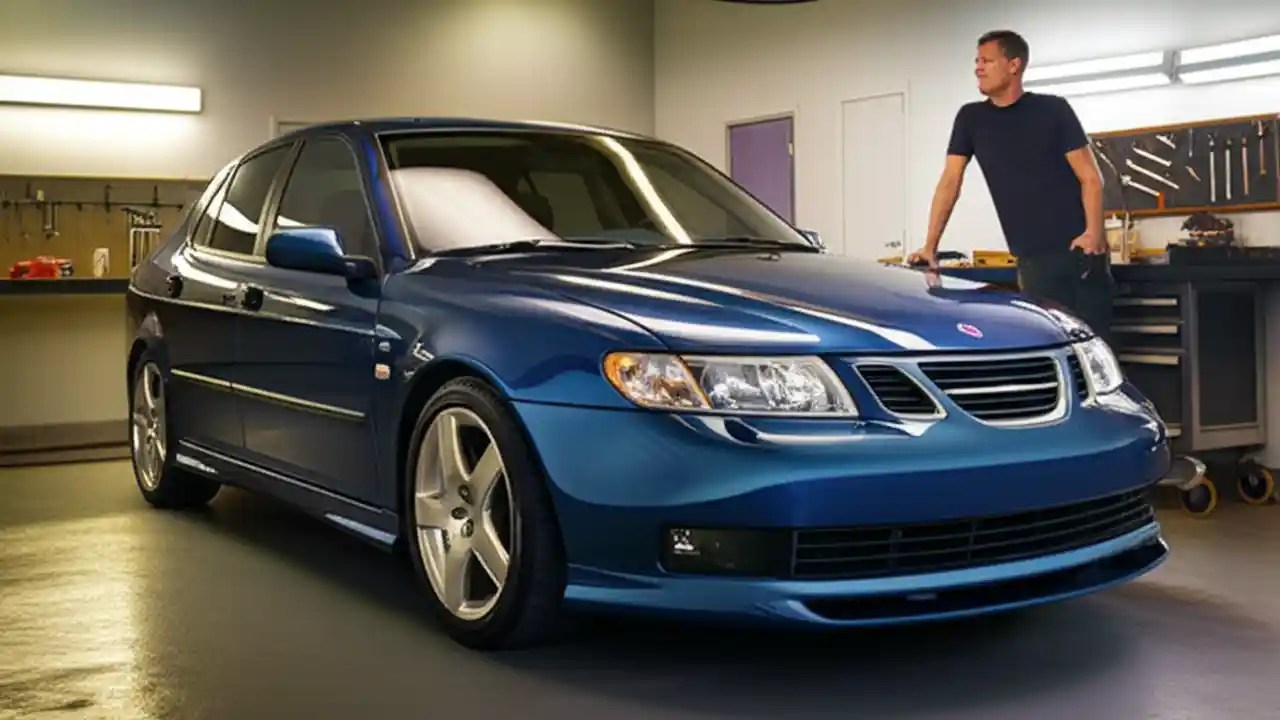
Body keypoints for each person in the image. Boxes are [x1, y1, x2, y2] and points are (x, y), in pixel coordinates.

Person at [908, 29, 1113, 342]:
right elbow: (950, 181)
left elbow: (1091, 177)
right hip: (1031, 257)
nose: (978, 67)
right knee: (1049, 343)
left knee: (1094, 346)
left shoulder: (1053, 110)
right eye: (976, 61)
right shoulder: (971, 118)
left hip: (1076, 253)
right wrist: (930, 246)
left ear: (1014, 65)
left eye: (987, 61)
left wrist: (1094, 233)